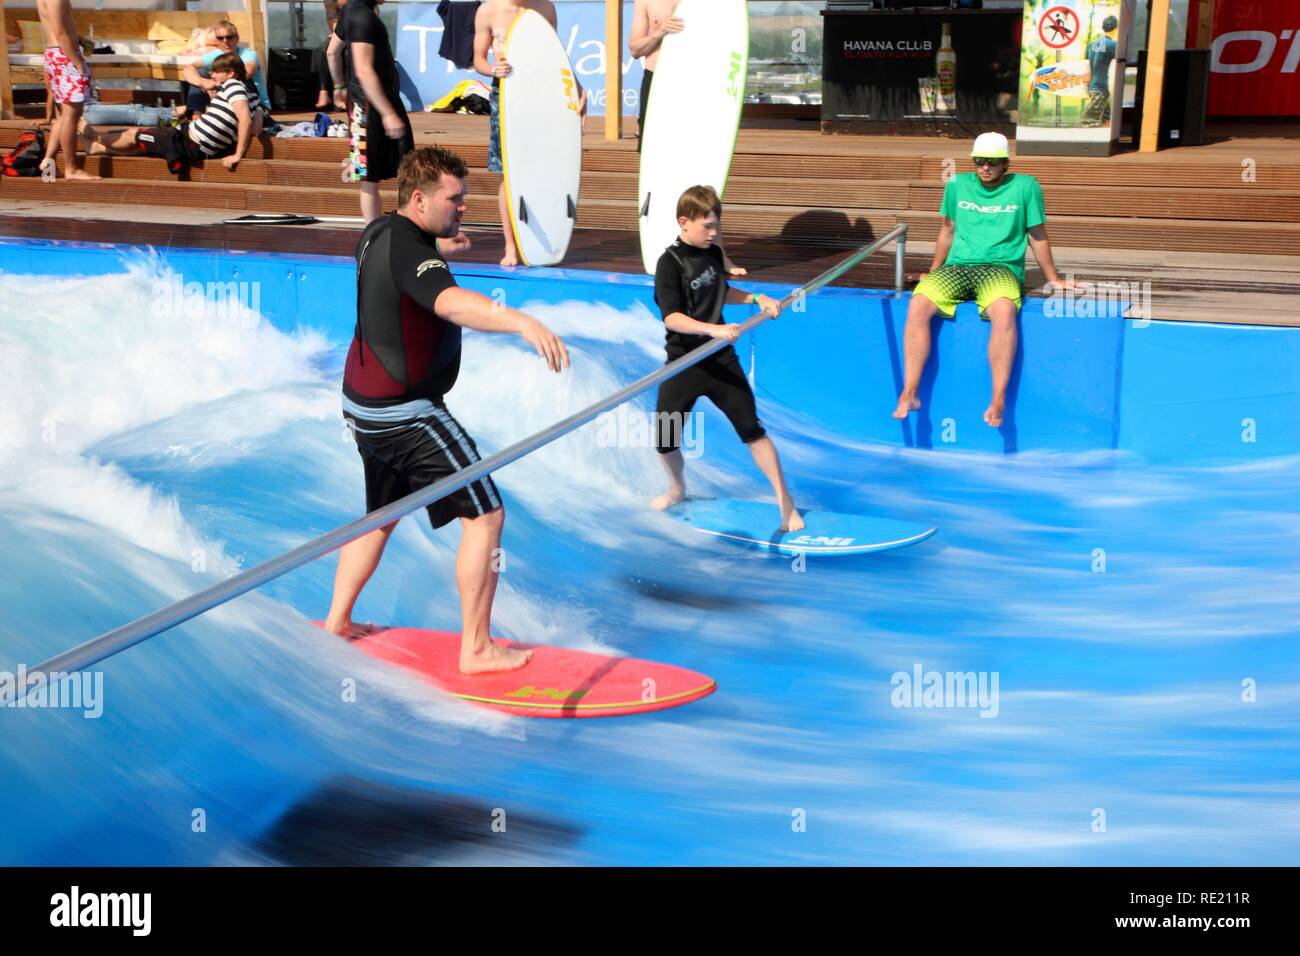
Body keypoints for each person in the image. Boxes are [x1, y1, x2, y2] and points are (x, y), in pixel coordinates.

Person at [323, 146, 571, 674]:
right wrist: (523, 322)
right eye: (454, 199)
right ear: (419, 198)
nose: (464, 207)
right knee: (486, 515)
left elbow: (409, 271)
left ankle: (338, 623)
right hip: (405, 413)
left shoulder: (380, 232)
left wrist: (441, 245)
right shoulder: (416, 254)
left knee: (381, 517)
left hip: (362, 406)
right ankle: (477, 649)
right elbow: (450, 302)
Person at [892, 132, 1077, 428]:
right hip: (958, 267)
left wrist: (1053, 278)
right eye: (979, 161)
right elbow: (947, 232)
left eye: (992, 162)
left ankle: (998, 398)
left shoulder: (1025, 186)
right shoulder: (957, 185)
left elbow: (1037, 235)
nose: (985, 167)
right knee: (919, 304)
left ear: (1005, 163)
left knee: (1004, 310)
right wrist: (933, 270)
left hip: (1000, 268)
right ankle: (910, 391)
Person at [650, 185, 803, 532]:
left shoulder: (713, 253)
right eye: (707, 226)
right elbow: (671, 317)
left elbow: (720, 292)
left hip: (720, 361)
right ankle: (676, 488)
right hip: (683, 363)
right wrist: (713, 329)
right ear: (684, 222)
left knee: (753, 431)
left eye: (716, 225)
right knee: (665, 438)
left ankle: (785, 501)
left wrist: (756, 298)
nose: (714, 233)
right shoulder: (669, 264)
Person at [629, 0, 747, 278]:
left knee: (705, 167)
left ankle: (718, 251)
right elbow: (635, 48)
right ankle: (663, 250)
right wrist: (660, 33)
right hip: (658, 84)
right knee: (659, 169)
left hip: (697, 85)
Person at [473, 0, 585, 267]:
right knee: (510, 171)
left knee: (544, 166)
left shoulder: (545, 7)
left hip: (543, 91)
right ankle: (511, 244)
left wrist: (576, 88)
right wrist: (492, 69)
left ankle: (545, 238)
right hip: (507, 93)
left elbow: (557, 56)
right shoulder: (489, 10)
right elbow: (477, 58)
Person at [79, 53, 255, 175]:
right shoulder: (244, 92)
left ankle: (93, 135)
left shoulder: (234, 86)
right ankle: (96, 148)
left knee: (134, 135)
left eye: (216, 71)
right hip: (191, 141)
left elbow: (245, 120)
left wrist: (238, 155)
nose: (212, 74)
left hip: (187, 141)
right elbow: (253, 120)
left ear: (230, 73)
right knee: (144, 147)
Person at [334, 0, 413, 223]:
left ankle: (393, 228)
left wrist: (338, 86)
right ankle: (373, 232)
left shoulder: (351, 10)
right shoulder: (363, 17)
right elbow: (363, 70)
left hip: (370, 102)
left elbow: (332, 52)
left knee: (403, 167)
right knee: (369, 176)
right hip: (369, 106)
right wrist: (388, 113)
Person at [36, 0, 99, 181]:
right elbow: (60, 32)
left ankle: (49, 159)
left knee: (65, 114)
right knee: (72, 113)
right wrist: (77, 63)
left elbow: (62, 30)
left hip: (60, 53)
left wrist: (80, 40)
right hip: (64, 55)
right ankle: (71, 168)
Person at [180, 20, 270, 119]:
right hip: (229, 101)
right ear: (216, 40)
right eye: (220, 38)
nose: (225, 41)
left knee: (240, 76)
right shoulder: (216, 54)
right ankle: (196, 117)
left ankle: (191, 113)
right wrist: (203, 83)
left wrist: (216, 83)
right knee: (200, 73)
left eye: (229, 37)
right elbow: (188, 68)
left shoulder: (247, 53)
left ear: (236, 38)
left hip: (255, 105)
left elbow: (247, 72)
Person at [1084, 15, 1119, 126]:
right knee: (1087, 122)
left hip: (1092, 87)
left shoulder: (1092, 44)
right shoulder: (1112, 44)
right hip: (1101, 88)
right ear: (1115, 28)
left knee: (1106, 120)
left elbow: (1086, 64)